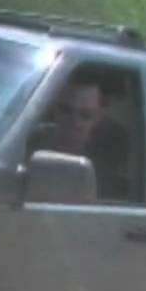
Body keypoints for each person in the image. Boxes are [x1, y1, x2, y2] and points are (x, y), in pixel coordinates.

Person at [31, 71, 132, 201]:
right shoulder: (34, 142)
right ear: (54, 107)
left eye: (86, 116)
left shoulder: (106, 165)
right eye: (66, 111)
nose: (74, 122)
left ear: (99, 117)